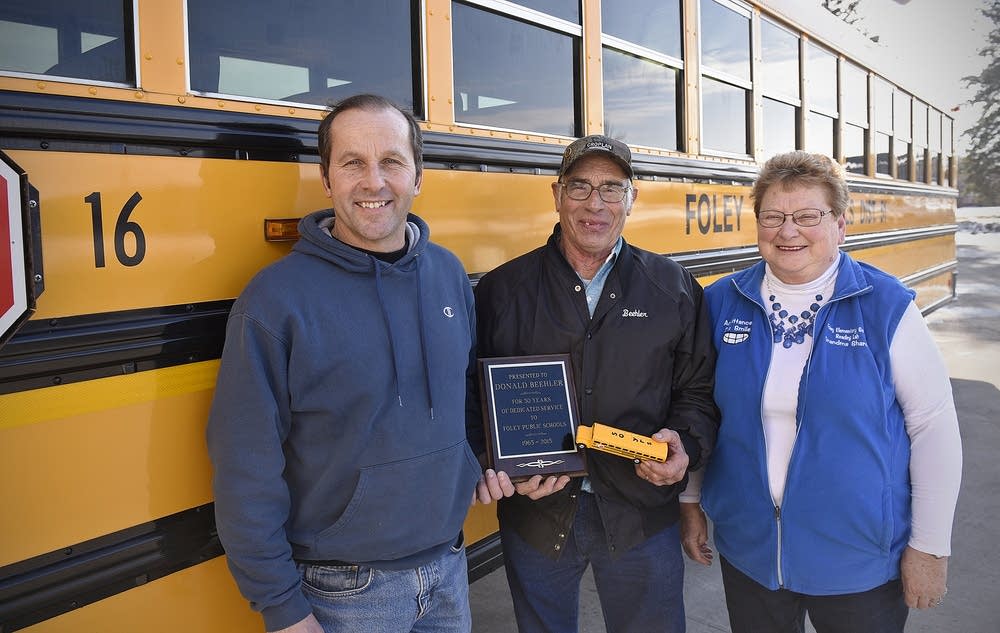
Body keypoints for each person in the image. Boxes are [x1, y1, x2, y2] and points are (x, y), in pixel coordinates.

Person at [206, 94, 490, 633]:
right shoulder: (276, 300)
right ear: (326, 178)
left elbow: (468, 392)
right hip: (343, 592)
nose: (373, 182)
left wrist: (478, 463)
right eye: (353, 162)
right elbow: (245, 461)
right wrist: (282, 607)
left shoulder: (447, 274)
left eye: (391, 161)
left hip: (449, 568)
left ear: (418, 175)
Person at [679, 151, 963, 633]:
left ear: (840, 225)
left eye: (808, 216)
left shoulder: (886, 307)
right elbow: (702, 410)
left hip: (858, 561)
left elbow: (932, 429)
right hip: (752, 554)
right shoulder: (720, 302)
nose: (788, 231)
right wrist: (690, 501)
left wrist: (931, 547)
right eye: (773, 216)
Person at [474, 134, 719, 633]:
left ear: (632, 198)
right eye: (580, 187)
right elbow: (470, 397)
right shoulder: (502, 290)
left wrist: (685, 445)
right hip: (536, 516)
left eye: (611, 188)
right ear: (557, 194)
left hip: (640, 515)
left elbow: (696, 392)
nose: (595, 204)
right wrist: (493, 462)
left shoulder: (672, 287)